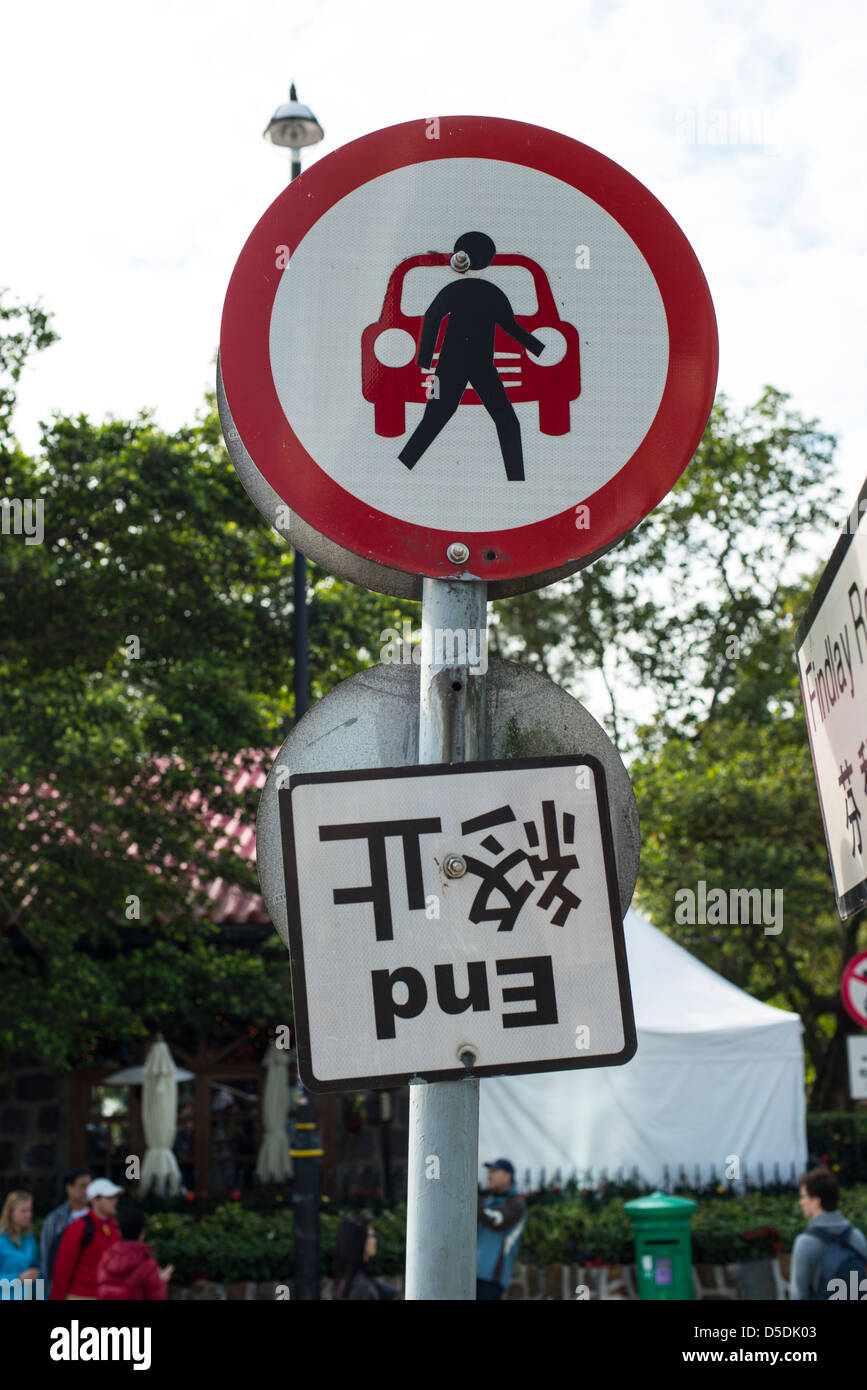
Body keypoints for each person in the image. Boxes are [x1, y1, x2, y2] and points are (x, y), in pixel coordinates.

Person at [398, 231, 545, 482]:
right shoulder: (493, 293)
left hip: (449, 366)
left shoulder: (455, 288)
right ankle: (517, 480)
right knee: (507, 420)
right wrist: (537, 347)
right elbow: (510, 326)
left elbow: (432, 317)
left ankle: (401, 468)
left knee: (434, 417)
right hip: (481, 366)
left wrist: (424, 360)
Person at [789, 1166, 867, 1300]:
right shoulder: (856, 1236)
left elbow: (799, 1295)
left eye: (803, 1197)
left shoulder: (805, 1243)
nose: (801, 1202)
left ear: (816, 1201)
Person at [49, 1177, 123, 1301]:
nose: (115, 1201)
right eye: (109, 1197)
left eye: (115, 1197)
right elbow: (62, 1269)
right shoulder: (78, 1227)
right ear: (94, 1200)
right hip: (82, 1295)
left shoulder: (115, 1227)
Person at [96, 1204, 173, 1300]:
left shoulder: (107, 1257)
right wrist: (161, 1281)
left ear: (119, 1231)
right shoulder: (147, 1263)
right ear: (143, 1231)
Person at [477, 1158, 527, 1301]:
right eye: (489, 1171)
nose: (489, 1175)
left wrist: (473, 1200)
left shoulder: (517, 1203)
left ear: (507, 1176)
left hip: (492, 1279)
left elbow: (496, 1221)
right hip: (470, 1274)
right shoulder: (487, 1201)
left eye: (494, 1171)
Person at [40, 1168, 91, 1295]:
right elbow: (46, 1261)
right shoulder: (54, 1220)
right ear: (69, 1188)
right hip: (62, 1290)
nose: (88, 1191)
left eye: (90, 1186)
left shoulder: (98, 1218)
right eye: (83, 1186)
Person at [332, 1217, 395, 1300]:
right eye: (372, 1236)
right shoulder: (360, 1285)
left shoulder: (346, 1281)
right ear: (360, 1239)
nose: (375, 1240)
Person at [0, 1191, 41, 1297]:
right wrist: (18, 1278)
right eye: (23, 1211)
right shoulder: (1, 1238)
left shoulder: (29, 1236)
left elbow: (36, 1268)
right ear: (11, 1213)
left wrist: (40, 1296)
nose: (29, 1215)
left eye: (30, 1210)